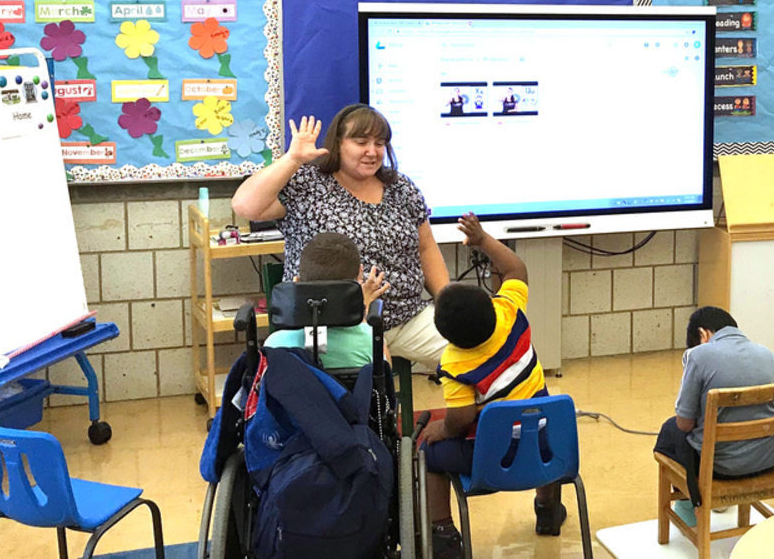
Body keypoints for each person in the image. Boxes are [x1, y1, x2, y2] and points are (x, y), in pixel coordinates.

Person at [231, 105, 451, 372]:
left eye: (379, 143)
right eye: (361, 142)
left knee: (476, 349)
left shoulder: (401, 188)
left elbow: (426, 248)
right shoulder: (307, 184)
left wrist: (447, 302)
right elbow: (244, 206)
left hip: (408, 318)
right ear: (338, 143)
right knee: (351, 384)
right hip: (331, 325)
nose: (372, 151)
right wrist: (293, 158)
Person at [418, 213, 559, 559]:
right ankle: (548, 511)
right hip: (545, 446)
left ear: (446, 336)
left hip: (493, 457)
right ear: (490, 302)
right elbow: (515, 269)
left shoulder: (455, 363)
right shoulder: (509, 311)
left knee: (427, 455)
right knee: (546, 427)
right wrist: (483, 240)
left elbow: (461, 419)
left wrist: (441, 429)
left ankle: (443, 533)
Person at [654, 307, 774, 527]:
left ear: (703, 334)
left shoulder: (698, 356)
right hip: (769, 461)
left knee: (670, 429)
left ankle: (690, 503)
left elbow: (685, 423)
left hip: (719, 469)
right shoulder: (766, 354)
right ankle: (720, 500)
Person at [263, 232, 391, 368]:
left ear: (297, 282)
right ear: (359, 275)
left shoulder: (274, 345)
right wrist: (363, 309)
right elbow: (385, 376)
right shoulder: (368, 342)